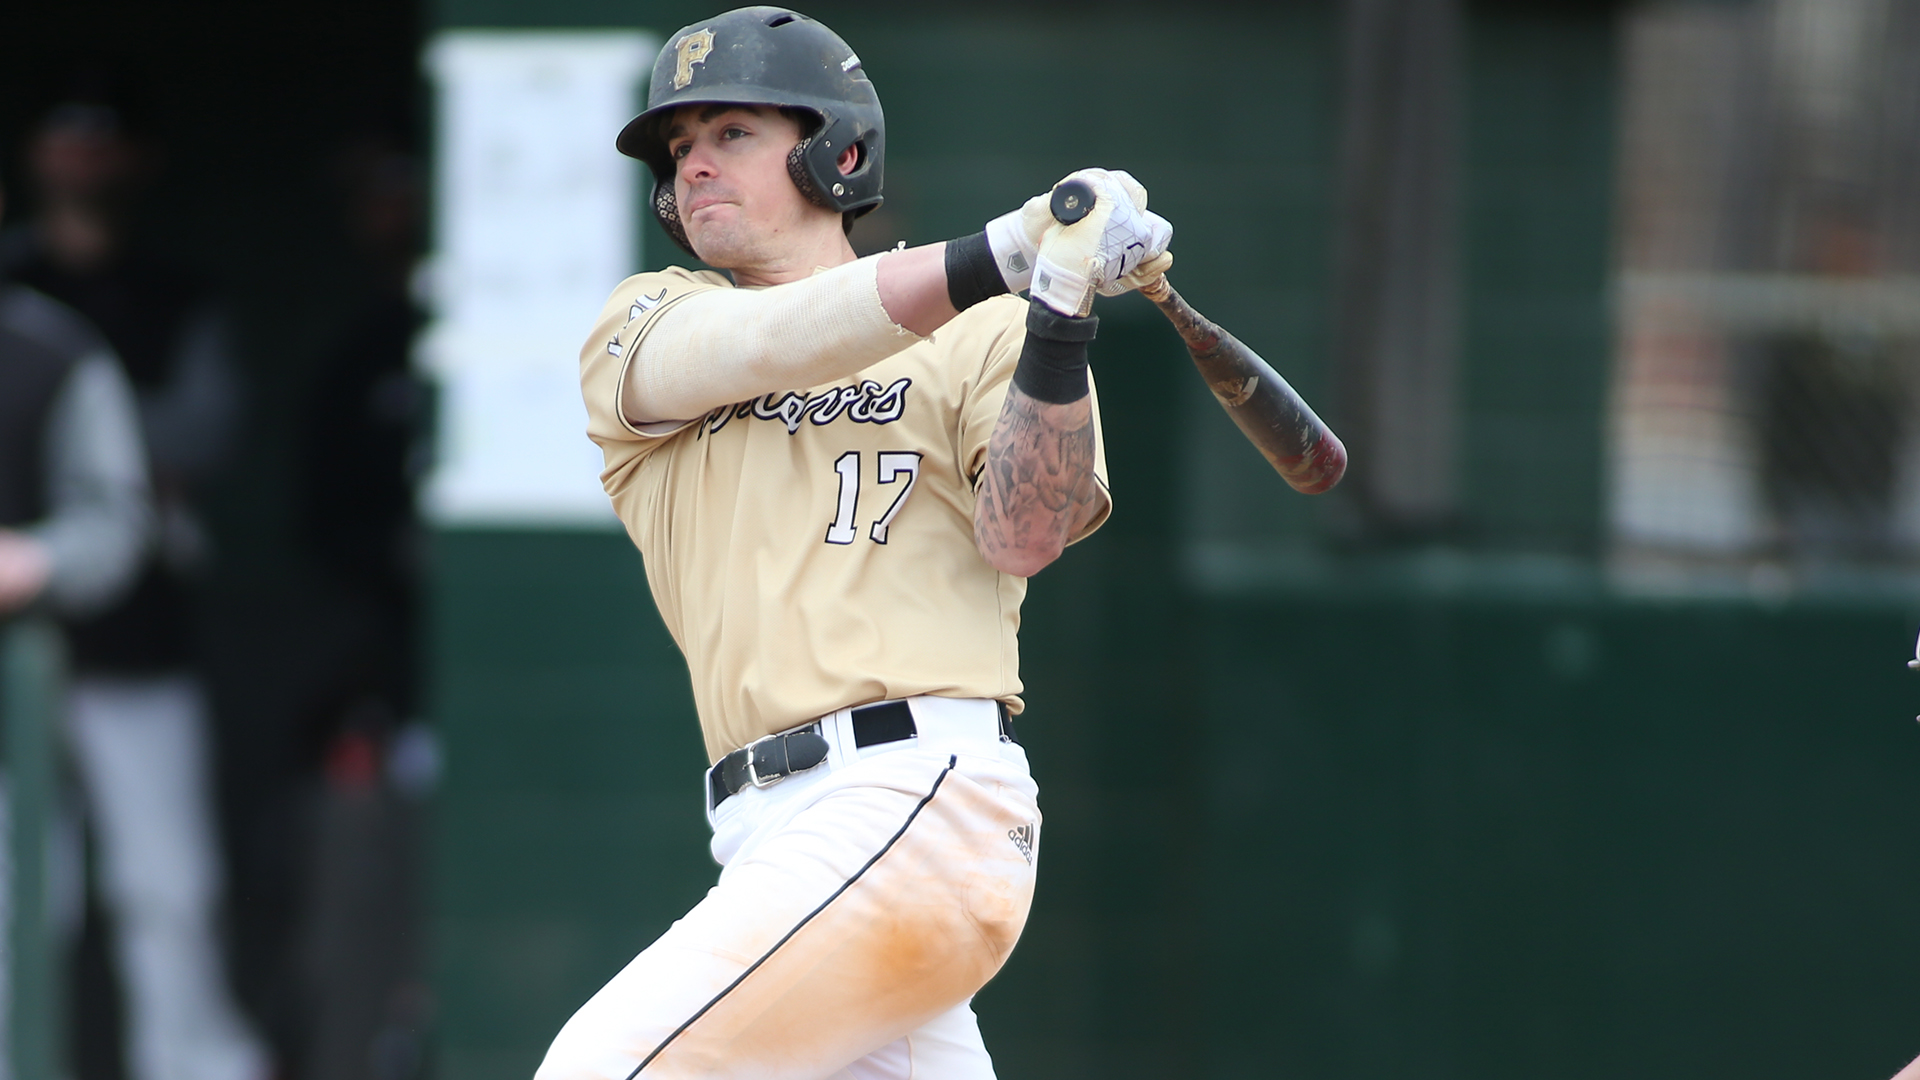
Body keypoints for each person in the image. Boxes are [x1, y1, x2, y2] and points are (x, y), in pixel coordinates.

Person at [538, 8, 1171, 1078]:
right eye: (680, 149)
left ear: (835, 153)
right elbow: (775, 339)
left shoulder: (985, 329)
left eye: (732, 133)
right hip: (770, 837)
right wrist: (1007, 251)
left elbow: (1026, 535)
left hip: (909, 798)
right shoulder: (645, 324)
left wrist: (1059, 311)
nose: (695, 166)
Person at [0, 84, 267, 1080]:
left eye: (100, 143)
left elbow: (191, 447)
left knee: (167, 888)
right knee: (22, 900)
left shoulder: (68, 337)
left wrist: (43, 552)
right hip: (13, 675)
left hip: (130, 644)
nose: (80, 161)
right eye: (63, 140)